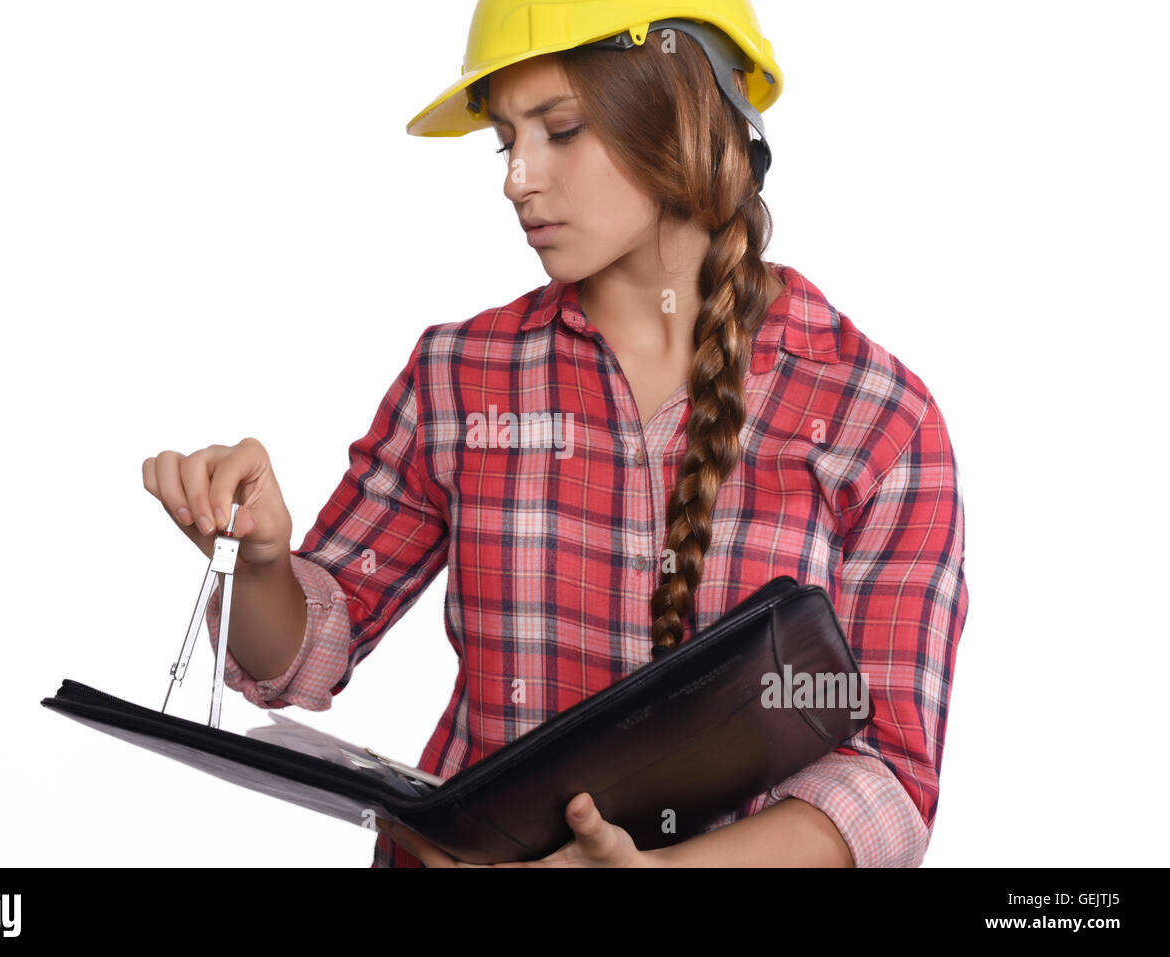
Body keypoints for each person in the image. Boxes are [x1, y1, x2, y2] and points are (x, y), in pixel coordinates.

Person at [141, 0, 969, 868]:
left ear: (681, 119)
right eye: (506, 141)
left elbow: (884, 782)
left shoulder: (878, 418)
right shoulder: (460, 374)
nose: (516, 178)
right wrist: (262, 562)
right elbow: (308, 651)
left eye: (561, 130)